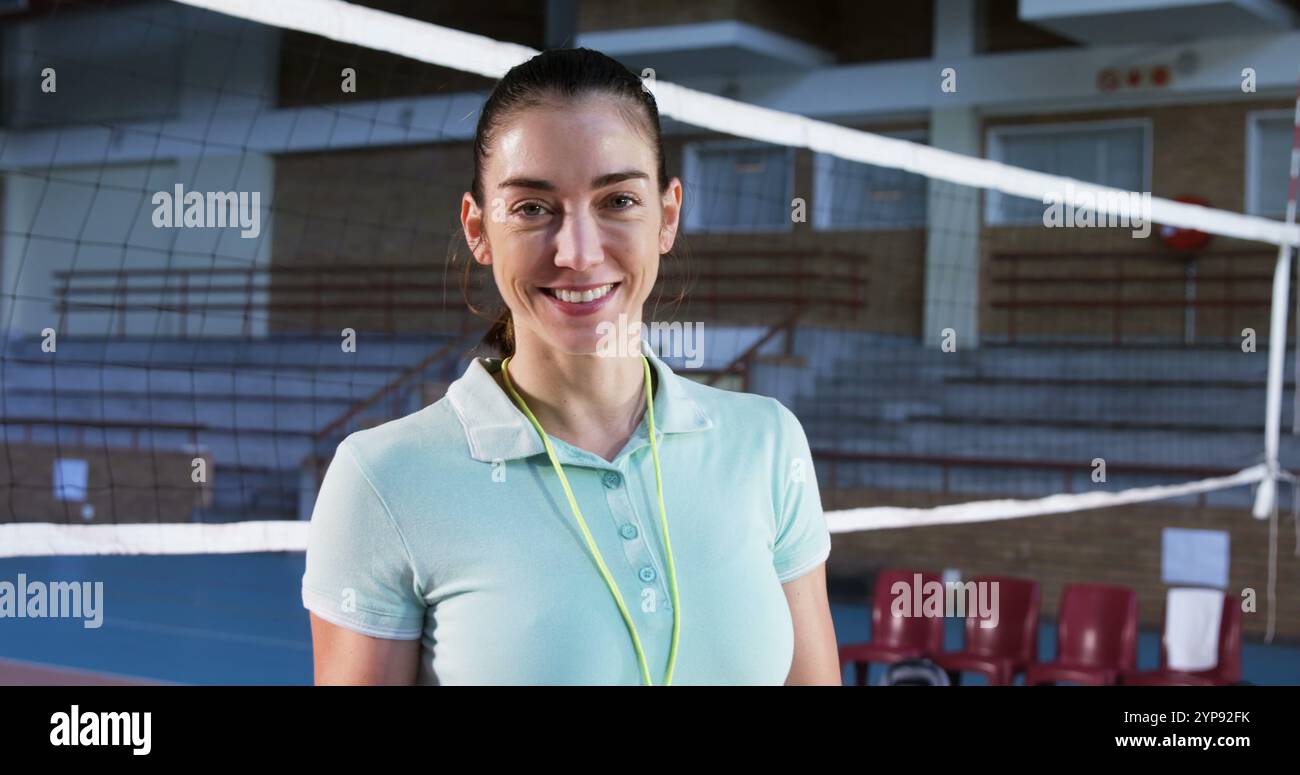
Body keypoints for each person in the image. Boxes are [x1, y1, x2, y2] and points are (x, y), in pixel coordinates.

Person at [302, 47, 839, 685]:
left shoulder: (768, 442)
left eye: (617, 201)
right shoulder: (384, 478)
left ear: (667, 215)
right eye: (532, 208)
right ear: (478, 228)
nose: (578, 254)